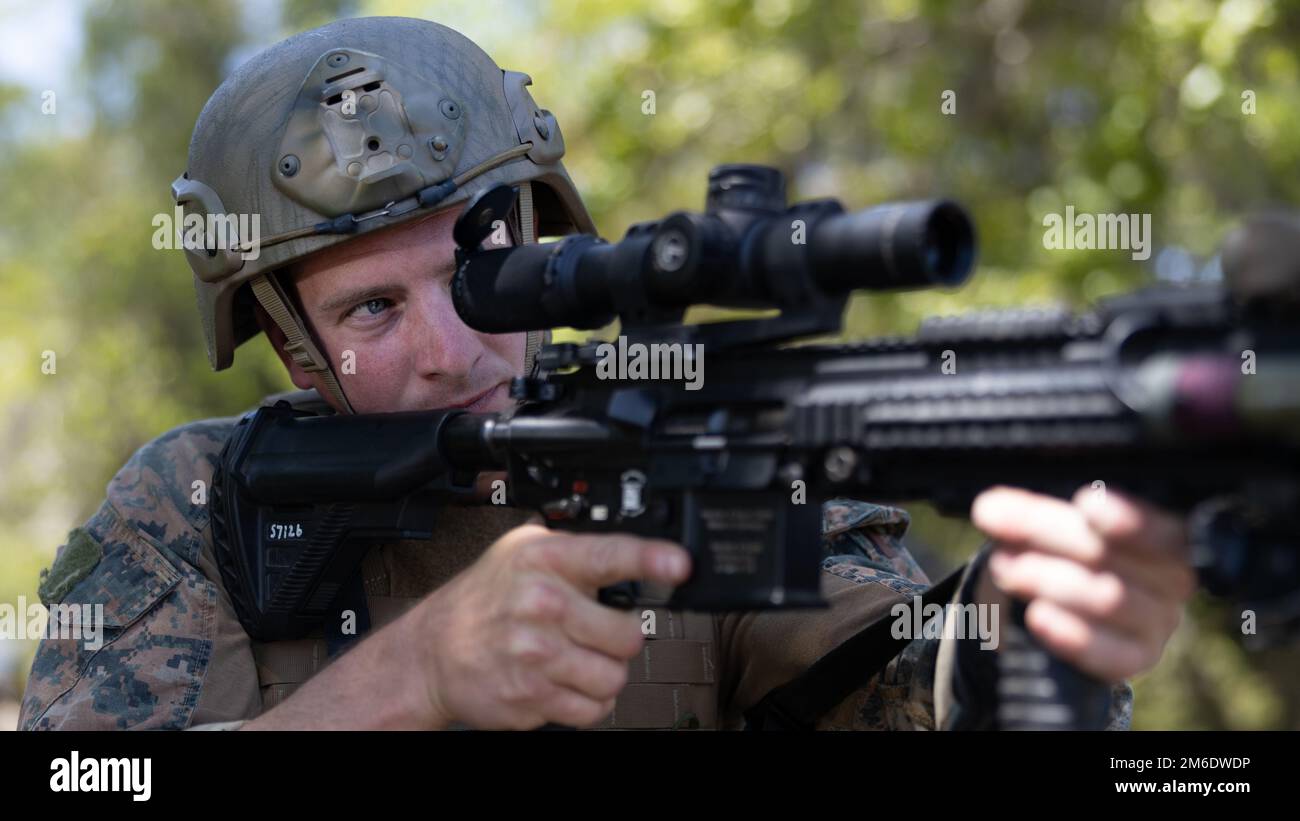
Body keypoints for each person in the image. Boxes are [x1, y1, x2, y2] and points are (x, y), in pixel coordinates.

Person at [18, 17, 1194, 731]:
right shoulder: (193, 509)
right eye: (373, 305)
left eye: (485, 271)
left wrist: (1026, 619)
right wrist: (413, 678)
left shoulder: (682, 447)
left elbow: (893, 690)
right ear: (289, 342)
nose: (452, 346)